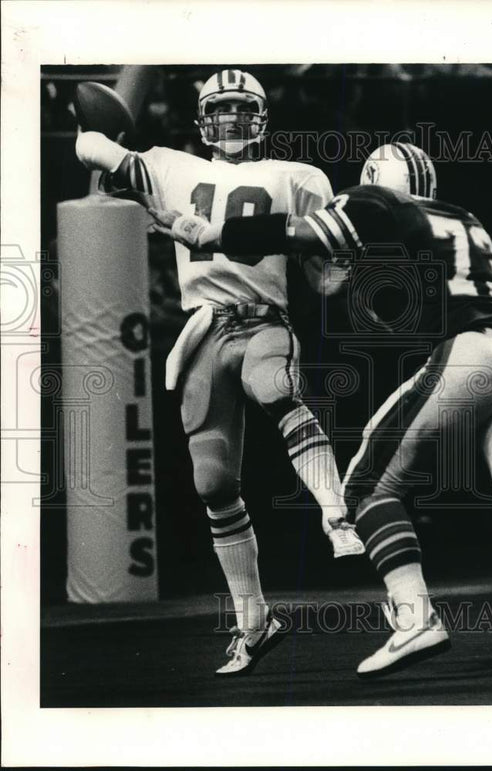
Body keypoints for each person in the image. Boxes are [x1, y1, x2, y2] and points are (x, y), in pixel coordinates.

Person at [149, 141, 492, 679]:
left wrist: (213, 233)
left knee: (367, 487)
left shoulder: (377, 204)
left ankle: (415, 617)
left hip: (470, 358)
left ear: (374, 180)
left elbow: (300, 232)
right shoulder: (467, 217)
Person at [75, 68, 364, 677]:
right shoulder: (170, 166)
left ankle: (336, 512)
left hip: (262, 322)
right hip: (205, 330)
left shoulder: (298, 176)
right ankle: (254, 621)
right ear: (202, 116)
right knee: (210, 483)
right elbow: (92, 148)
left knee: (275, 386)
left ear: (261, 115)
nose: (230, 120)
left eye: (241, 108)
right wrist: (103, 117)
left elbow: (331, 259)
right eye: (219, 109)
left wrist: (325, 272)